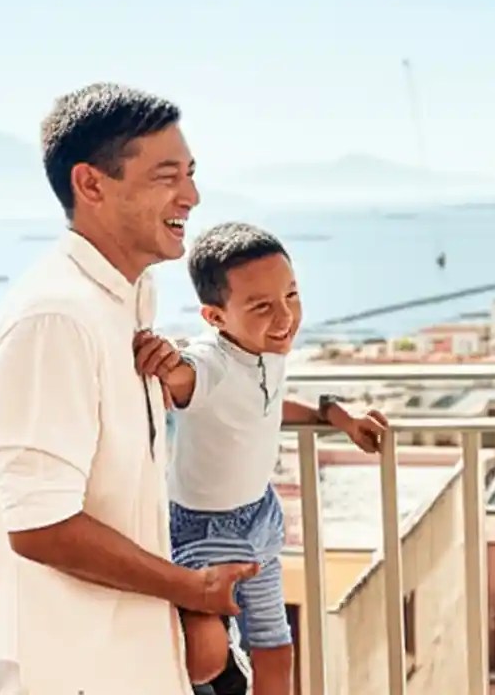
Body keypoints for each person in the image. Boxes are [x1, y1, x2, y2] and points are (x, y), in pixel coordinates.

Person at [0, 83, 257, 694]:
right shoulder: (56, 318)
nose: (191, 196)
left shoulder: (125, 299)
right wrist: (192, 589)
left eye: (191, 174)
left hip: (115, 657)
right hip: (61, 668)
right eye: (168, 176)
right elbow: (41, 525)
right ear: (91, 185)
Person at [132, 221, 390, 695]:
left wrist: (337, 417)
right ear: (214, 317)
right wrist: (167, 363)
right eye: (262, 306)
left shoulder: (265, 349)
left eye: (291, 296)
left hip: (262, 520)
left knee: (276, 646)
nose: (285, 317)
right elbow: (187, 378)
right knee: (205, 657)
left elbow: (267, 406)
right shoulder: (212, 360)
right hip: (202, 529)